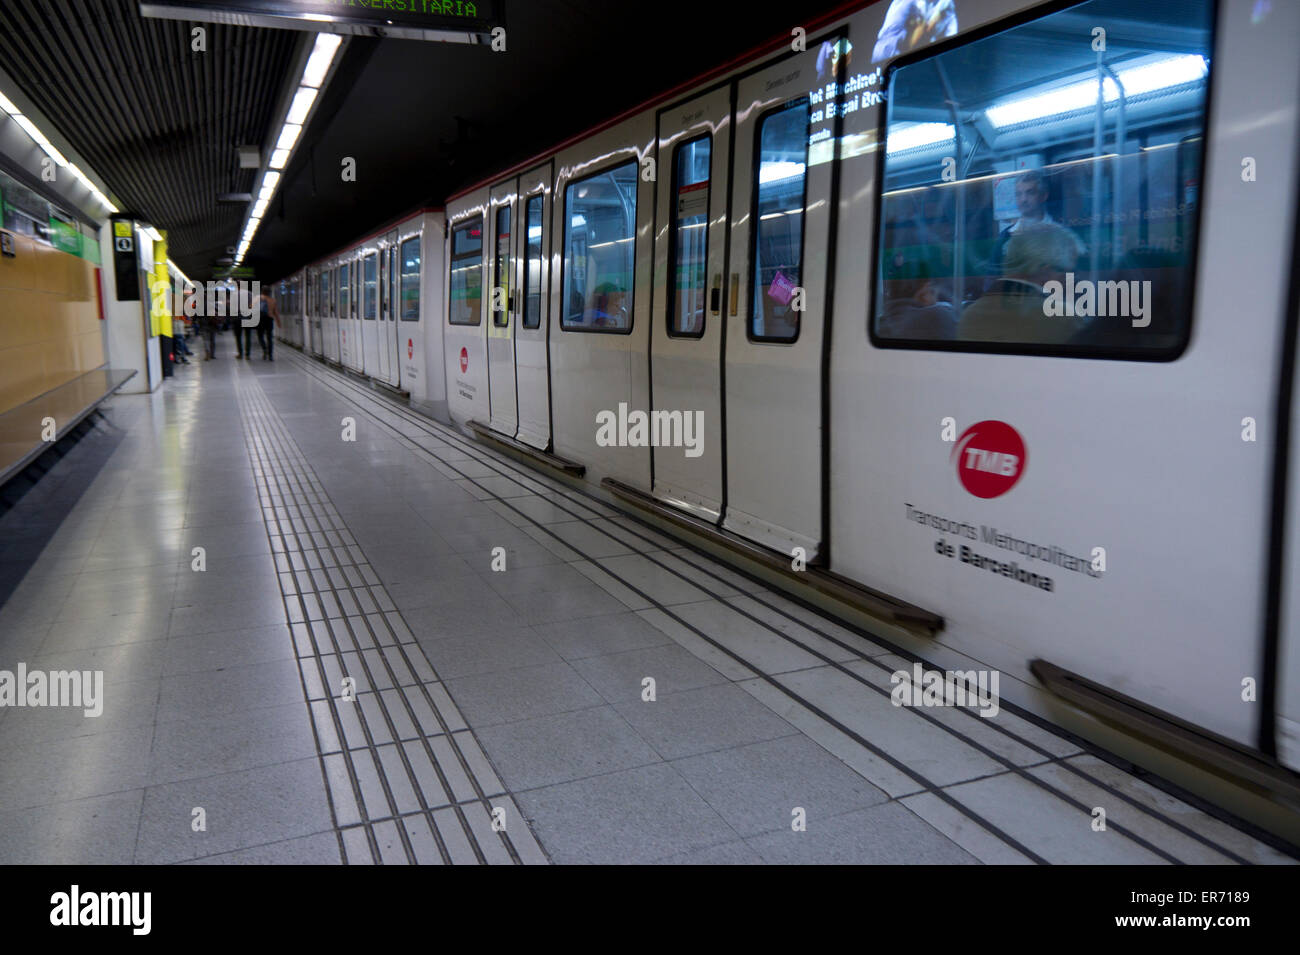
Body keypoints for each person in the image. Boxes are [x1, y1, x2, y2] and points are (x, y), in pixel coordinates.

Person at [959, 222, 1083, 345]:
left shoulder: (969, 314)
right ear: (1046, 270)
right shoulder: (1063, 317)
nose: (1074, 278)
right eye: (1071, 271)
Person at [257, 286, 279, 360]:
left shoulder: (258, 299)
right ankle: (270, 355)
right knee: (269, 338)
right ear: (269, 292)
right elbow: (275, 312)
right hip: (269, 319)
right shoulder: (272, 300)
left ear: (262, 291)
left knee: (260, 336)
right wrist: (278, 321)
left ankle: (264, 349)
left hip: (260, 319)